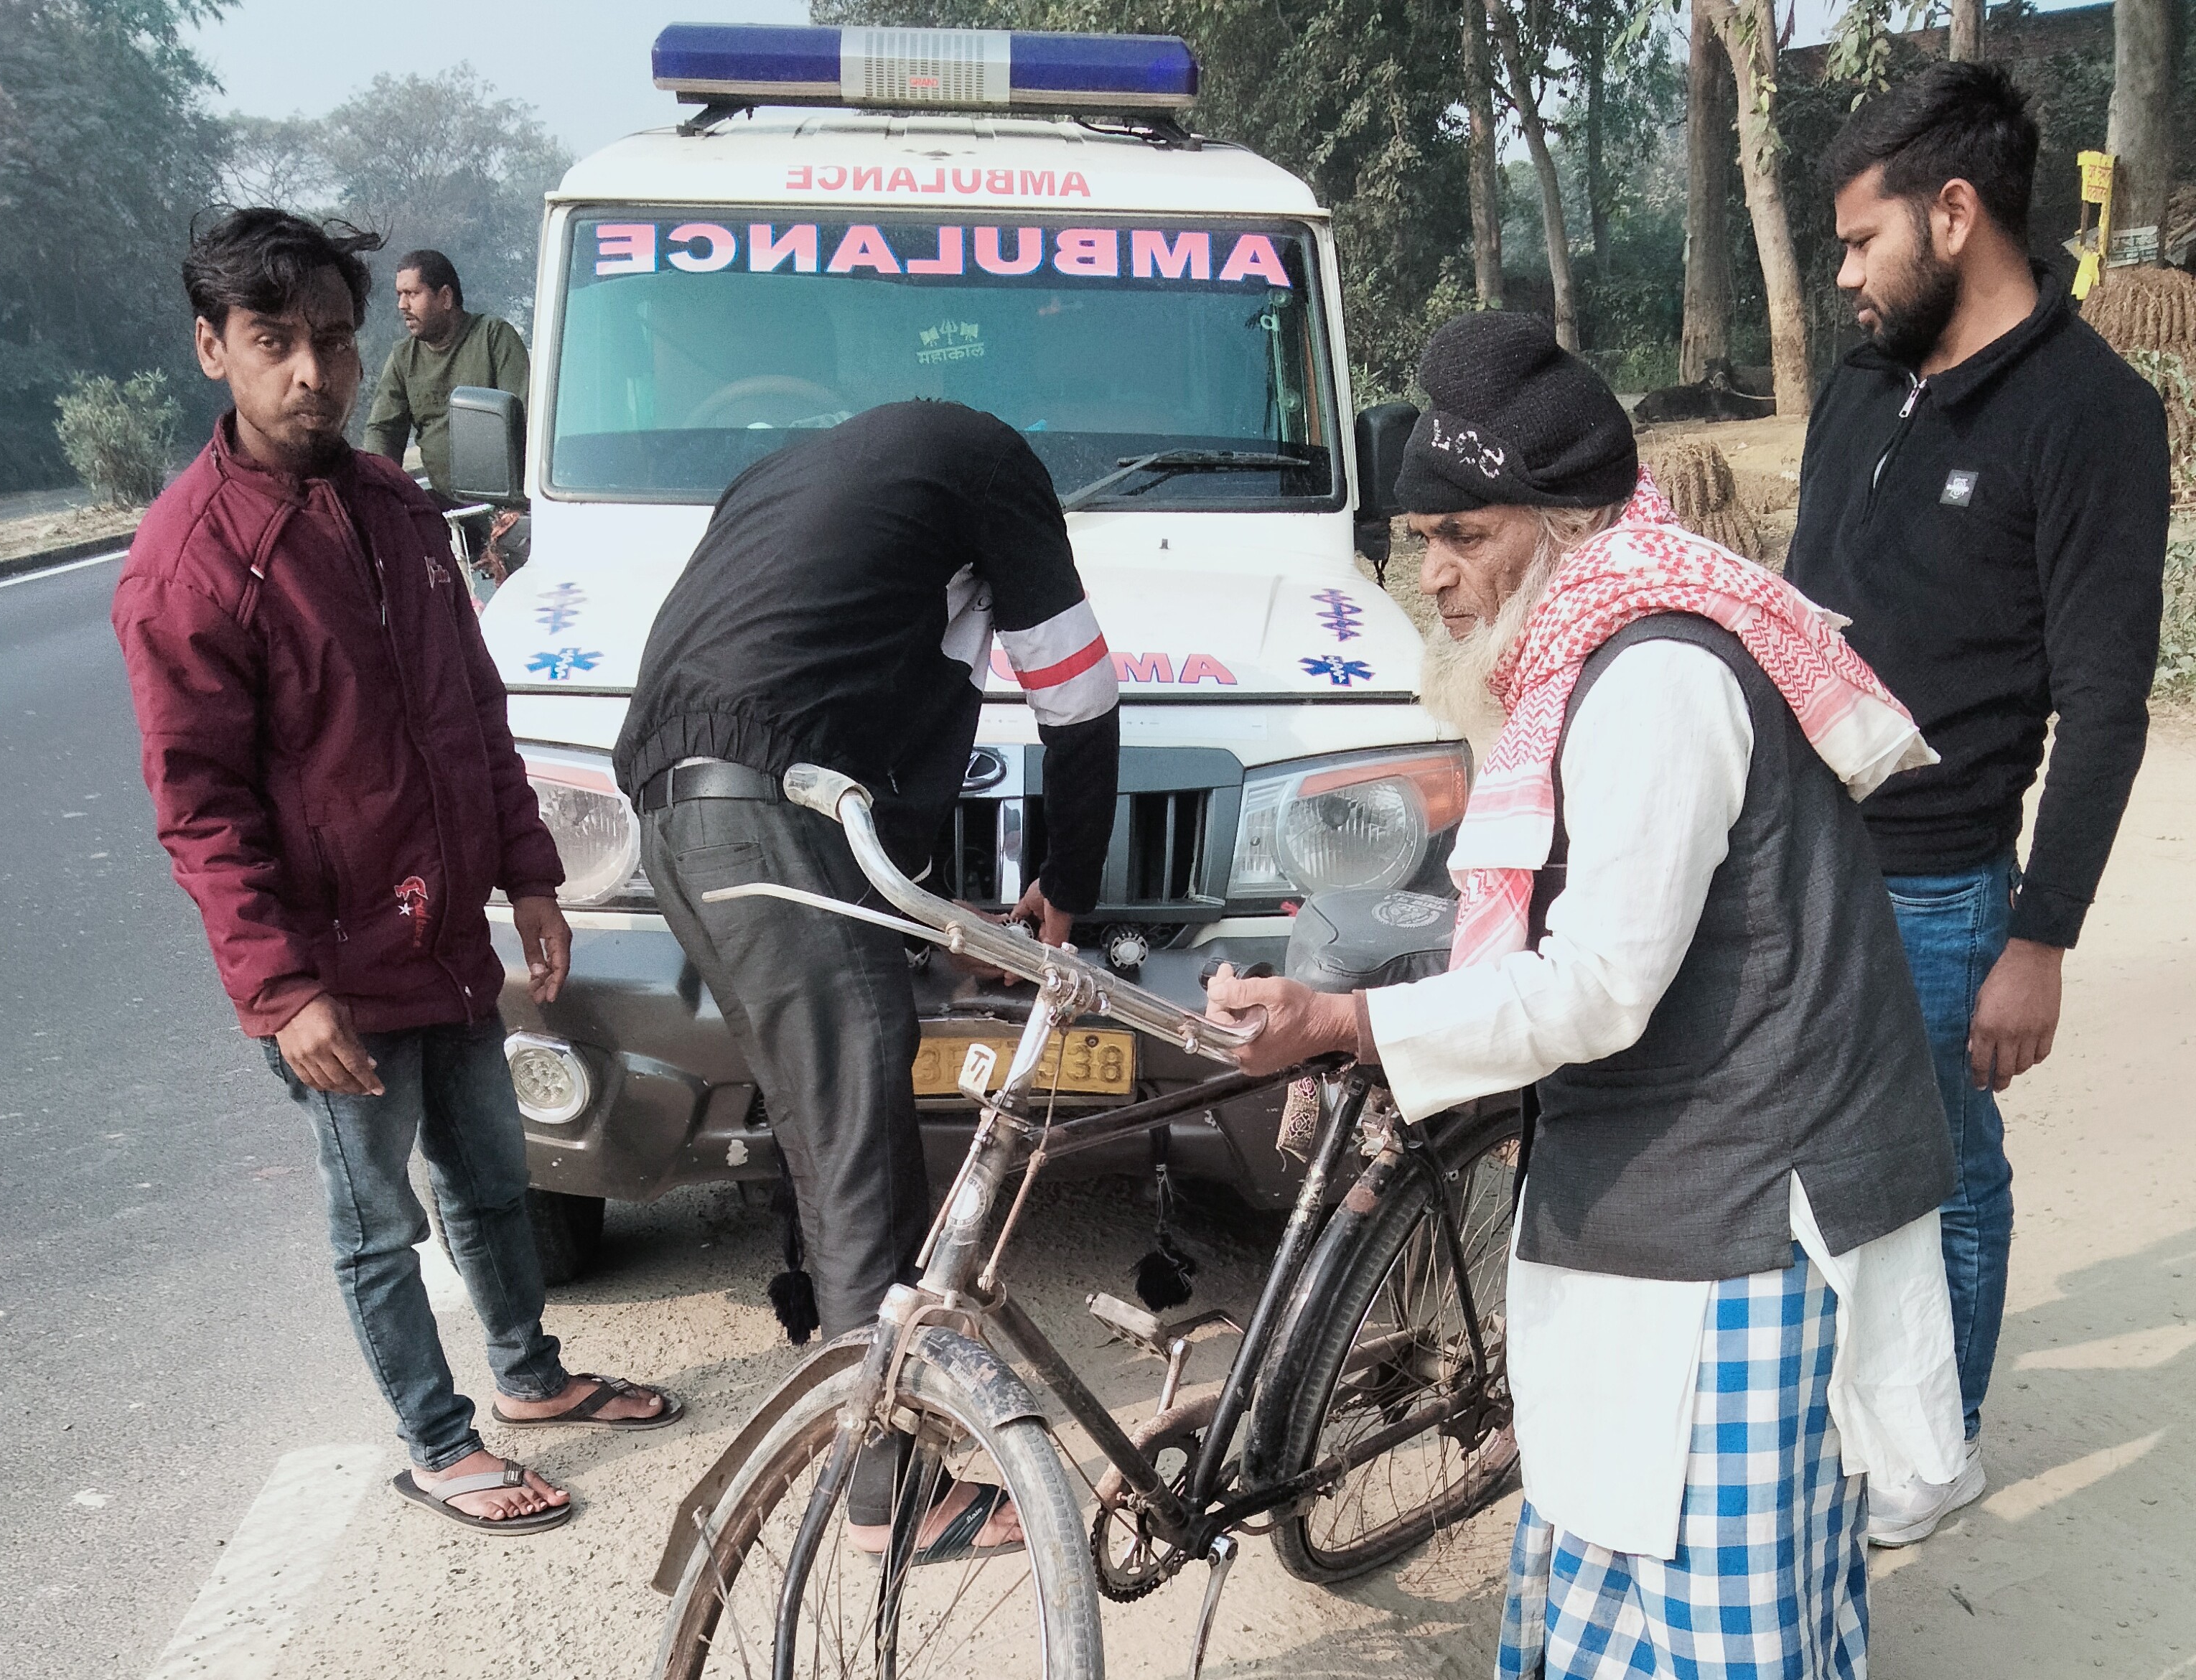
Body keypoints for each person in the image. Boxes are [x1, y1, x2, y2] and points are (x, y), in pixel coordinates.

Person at [1205, 312, 1966, 1678]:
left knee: (1724, 1623)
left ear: (1566, 527)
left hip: (1742, 1214)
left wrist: (1351, 1020)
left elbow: (1605, 984)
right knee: (1617, 1575)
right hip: (1681, 1188)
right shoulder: (1600, 658)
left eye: (1466, 538)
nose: (1435, 577)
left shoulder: (1658, 676)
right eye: (1419, 541)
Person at [113, 208, 677, 1535]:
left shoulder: (398, 508)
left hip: (444, 945)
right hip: (332, 978)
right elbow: (199, 810)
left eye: (332, 342)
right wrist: (280, 990)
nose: (313, 374)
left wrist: (531, 877)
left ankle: (530, 1380)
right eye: (274, 345)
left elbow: (473, 708)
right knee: (380, 1226)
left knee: (493, 1180)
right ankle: (438, 1441)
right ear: (213, 348)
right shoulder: (188, 565)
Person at [614, 398, 1119, 1557]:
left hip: (676, 815)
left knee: (815, 1112)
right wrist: (1068, 887)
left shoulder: (798, 476)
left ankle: (844, 1356)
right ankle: (895, 1498)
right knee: (858, 1132)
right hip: (768, 814)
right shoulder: (997, 462)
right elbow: (1079, 700)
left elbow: (867, 707)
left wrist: (923, 913)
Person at [1790, 62, 2169, 1545]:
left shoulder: (2091, 414)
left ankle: (1927, 1453)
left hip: (1942, 888)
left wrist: (2041, 936)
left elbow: (2108, 701)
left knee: (1940, 1173)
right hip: (1795, 856)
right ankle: (1853, 1410)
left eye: (1860, 240)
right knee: (1803, 1156)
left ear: (1955, 214)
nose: (1844, 273)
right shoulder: (1866, 378)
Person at [362, 248, 530, 503]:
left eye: (412, 294)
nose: (402, 305)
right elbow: (383, 431)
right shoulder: (403, 357)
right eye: (399, 295)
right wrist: (381, 495)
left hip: (506, 504)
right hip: (444, 506)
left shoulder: (493, 337)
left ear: (445, 297)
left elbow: (526, 414)